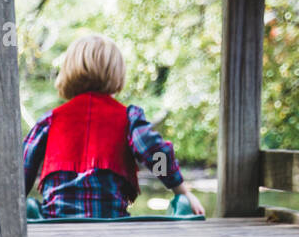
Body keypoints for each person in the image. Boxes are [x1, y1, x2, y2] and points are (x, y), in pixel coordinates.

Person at [23, 33, 204, 219]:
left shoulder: (50, 120)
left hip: (56, 224)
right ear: (117, 73)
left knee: (30, 207)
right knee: (179, 206)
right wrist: (181, 191)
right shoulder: (128, 118)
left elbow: (22, 168)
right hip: (111, 222)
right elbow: (154, 152)